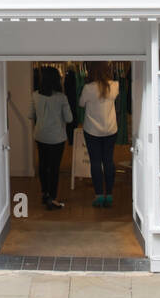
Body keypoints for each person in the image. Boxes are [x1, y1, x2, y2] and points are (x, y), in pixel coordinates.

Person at [29, 66, 72, 211]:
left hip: (40, 135)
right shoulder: (62, 98)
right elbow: (69, 118)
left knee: (43, 164)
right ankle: (52, 198)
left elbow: (31, 115)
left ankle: (44, 193)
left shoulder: (35, 95)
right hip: (57, 137)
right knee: (54, 167)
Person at [79, 61, 119, 207]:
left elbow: (81, 103)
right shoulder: (114, 85)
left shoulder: (88, 88)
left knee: (95, 162)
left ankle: (98, 195)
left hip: (92, 130)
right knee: (108, 161)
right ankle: (109, 194)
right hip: (110, 129)